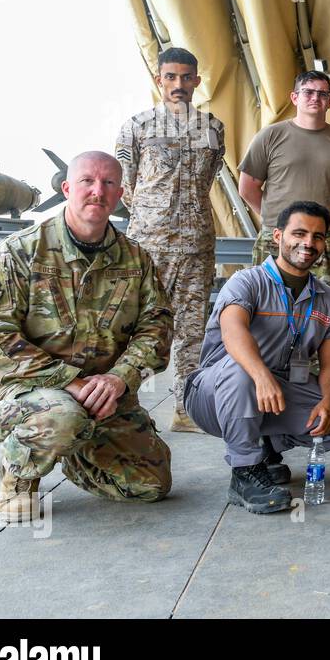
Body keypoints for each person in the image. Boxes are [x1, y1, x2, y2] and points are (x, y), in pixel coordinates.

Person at [0, 151, 174, 522]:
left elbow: (156, 328)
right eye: (87, 182)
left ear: (120, 193)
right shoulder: (21, 252)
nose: (98, 191)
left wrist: (118, 379)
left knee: (149, 484)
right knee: (62, 417)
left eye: (108, 183)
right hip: (27, 393)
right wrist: (70, 383)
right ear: (67, 189)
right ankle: (19, 473)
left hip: (105, 395)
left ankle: (77, 452)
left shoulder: (136, 260)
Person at [183, 201, 330, 514]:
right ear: (277, 236)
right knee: (243, 370)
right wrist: (261, 376)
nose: (308, 243)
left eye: (317, 236)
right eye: (299, 233)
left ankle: (269, 446)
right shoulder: (247, 282)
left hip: (279, 391)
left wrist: (327, 402)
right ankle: (245, 473)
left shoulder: (326, 298)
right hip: (215, 393)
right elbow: (233, 333)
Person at [115, 46, 226, 433]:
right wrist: (154, 215)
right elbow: (126, 185)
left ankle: (185, 408)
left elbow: (207, 180)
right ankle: (123, 406)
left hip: (196, 243)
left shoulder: (213, 128)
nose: (179, 85)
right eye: (170, 77)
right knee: (137, 325)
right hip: (149, 244)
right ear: (159, 80)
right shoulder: (138, 126)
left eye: (186, 77)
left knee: (194, 329)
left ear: (197, 80)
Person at [238, 70, 330, 300]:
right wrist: (276, 219)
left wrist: (328, 217)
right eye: (308, 92)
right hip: (277, 238)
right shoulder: (270, 136)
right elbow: (247, 188)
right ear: (295, 97)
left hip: (326, 239)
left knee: (324, 307)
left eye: (323, 94)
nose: (315, 98)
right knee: (266, 303)